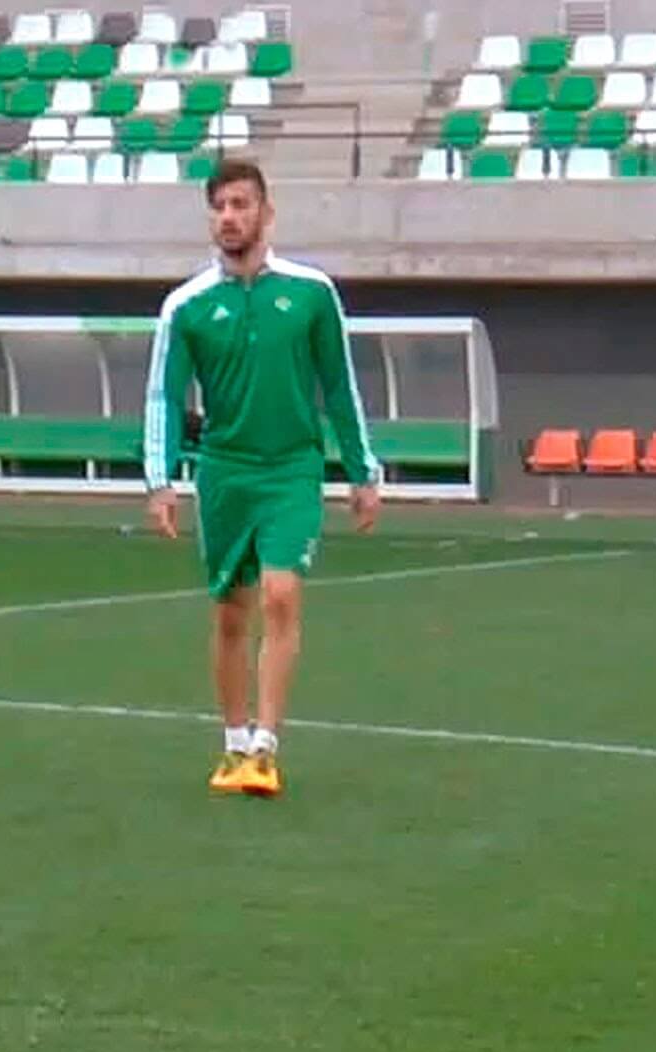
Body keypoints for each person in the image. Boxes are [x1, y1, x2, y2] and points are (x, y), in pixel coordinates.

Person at [142, 159, 381, 799]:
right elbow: (164, 397)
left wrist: (363, 472)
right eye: (219, 206)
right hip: (224, 472)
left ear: (266, 213)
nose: (229, 216)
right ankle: (234, 742)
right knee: (230, 612)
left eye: (241, 204)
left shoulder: (311, 293)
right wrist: (159, 481)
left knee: (280, 595)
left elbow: (339, 386)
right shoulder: (186, 307)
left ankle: (267, 748)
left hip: (292, 470)